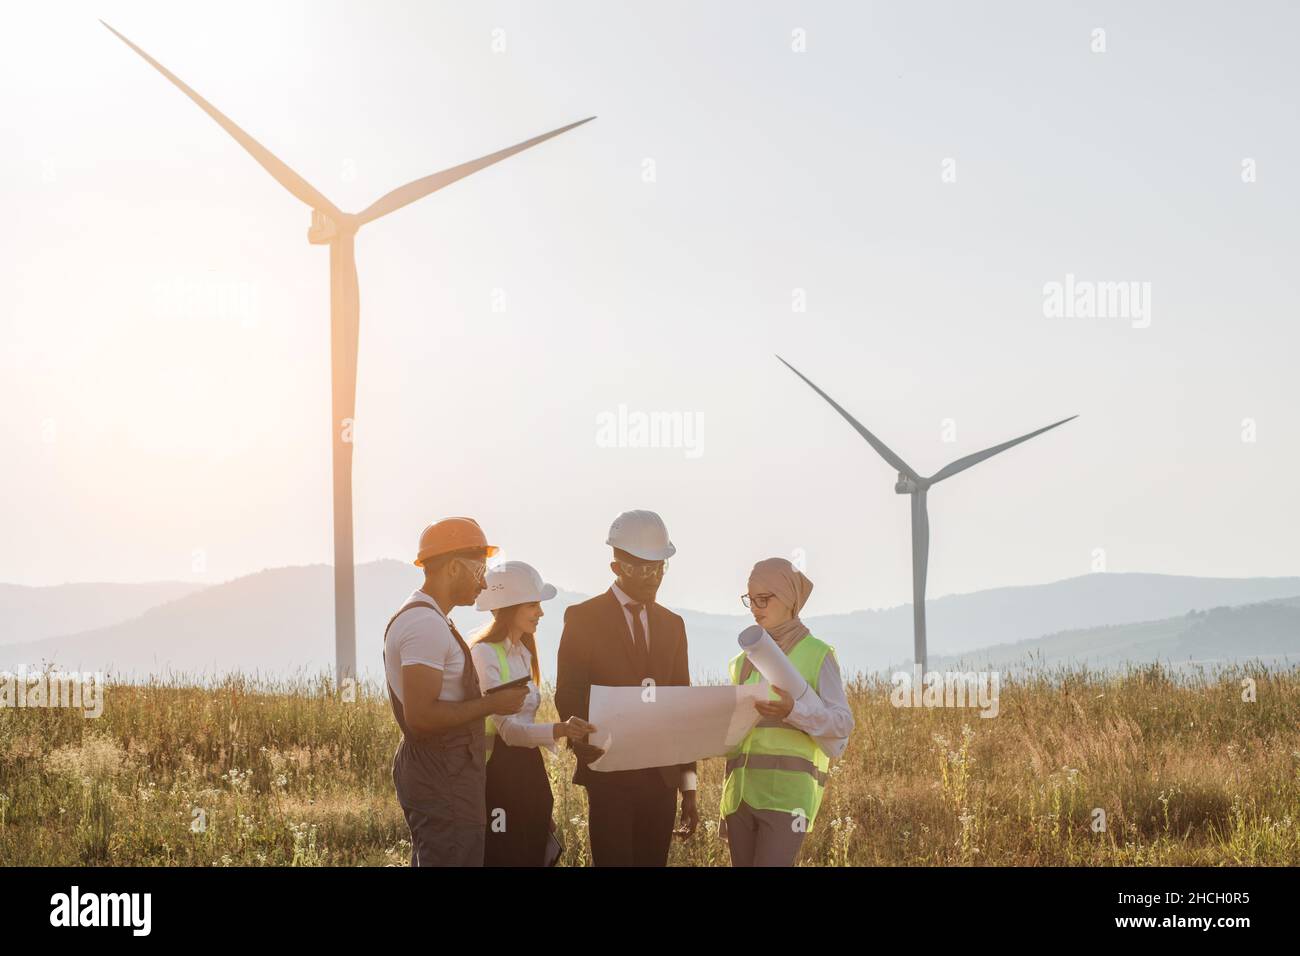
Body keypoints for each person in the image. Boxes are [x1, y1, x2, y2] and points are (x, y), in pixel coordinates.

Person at [555, 509, 700, 866]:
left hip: (661, 781)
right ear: (617, 567)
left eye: (660, 568)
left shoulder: (673, 625)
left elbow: (680, 708)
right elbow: (568, 692)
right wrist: (581, 741)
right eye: (644, 569)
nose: (654, 578)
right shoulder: (583, 618)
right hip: (609, 777)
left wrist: (689, 787)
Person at [383, 516, 528, 867]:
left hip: (445, 771)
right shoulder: (424, 624)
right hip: (441, 773)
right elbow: (421, 716)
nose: (484, 583)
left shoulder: (431, 619)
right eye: (479, 570)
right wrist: (493, 703)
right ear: (452, 568)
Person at [720, 557, 854, 867]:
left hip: (787, 800)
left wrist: (794, 710)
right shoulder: (741, 662)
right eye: (750, 599)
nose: (755, 608)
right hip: (740, 797)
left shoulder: (817, 654)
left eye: (763, 599)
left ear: (789, 598)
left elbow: (842, 723)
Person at [470, 561, 596, 866]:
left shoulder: (523, 654)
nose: (540, 612)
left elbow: (523, 729)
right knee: (504, 854)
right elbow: (509, 732)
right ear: (509, 606)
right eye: (532, 605)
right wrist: (561, 729)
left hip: (527, 772)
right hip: (497, 776)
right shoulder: (483, 653)